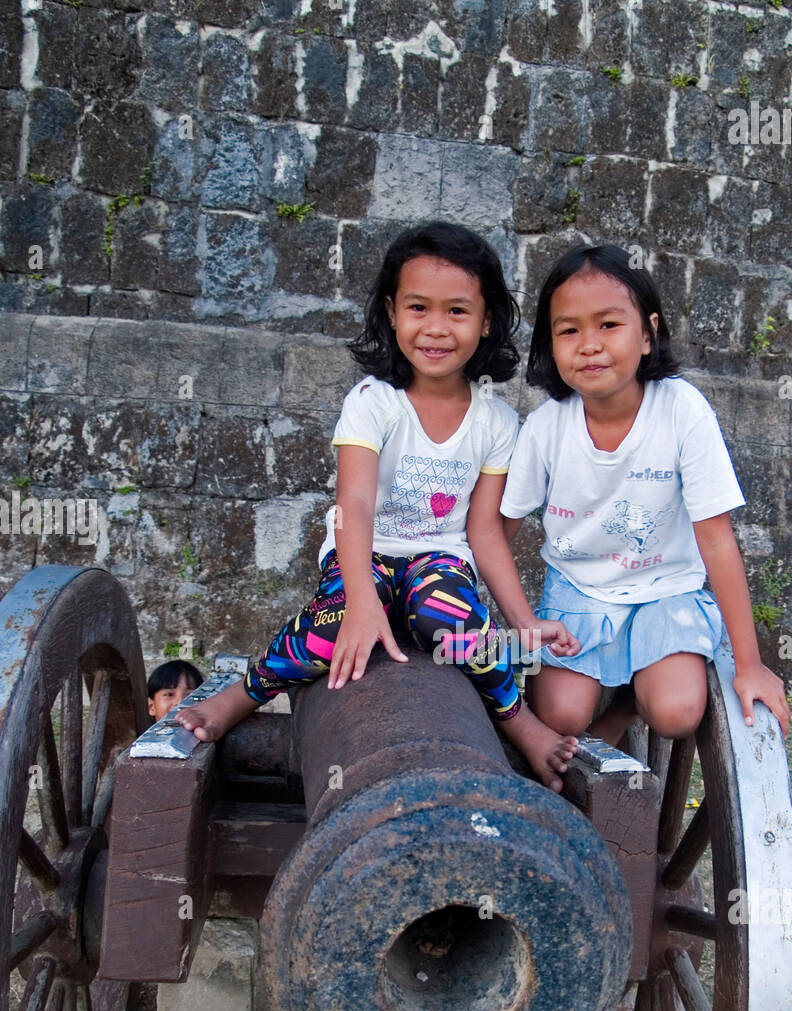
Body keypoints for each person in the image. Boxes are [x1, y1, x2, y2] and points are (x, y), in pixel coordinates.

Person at [175, 222, 579, 790]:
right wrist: (364, 600)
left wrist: (524, 619)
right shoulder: (373, 403)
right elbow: (354, 506)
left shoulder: (497, 422)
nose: (435, 328)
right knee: (335, 623)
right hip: (362, 551)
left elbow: (484, 533)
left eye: (457, 312)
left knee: (453, 620)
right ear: (392, 312)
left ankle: (519, 723)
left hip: (437, 560)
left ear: (486, 321)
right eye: (419, 307)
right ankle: (244, 694)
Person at [468, 243, 791, 747]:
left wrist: (749, 665)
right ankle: (609, 688)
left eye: (609, 325)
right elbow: (495, 530)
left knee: (678, 711)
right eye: (569, 329)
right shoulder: (546, 427)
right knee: (560, 715)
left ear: (648, 334)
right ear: (550, 344)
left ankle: (626, 706)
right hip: (580, 589)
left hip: (667, 588)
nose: (589, 344)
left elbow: (717, 539)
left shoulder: (683, 409)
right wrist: (520, 621)